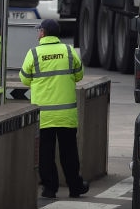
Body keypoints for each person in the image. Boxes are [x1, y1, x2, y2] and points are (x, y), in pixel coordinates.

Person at [19, 18, 89, 199]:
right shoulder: (69, 51)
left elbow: (24, 79)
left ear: (43, 33)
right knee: (69, 152)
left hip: (44, 115)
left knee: (45, 153)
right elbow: (79, 75)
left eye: (39, 31)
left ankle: (50, 189)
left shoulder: (34, 53)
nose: (38, 34)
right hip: (66, 114)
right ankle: (75, 187)